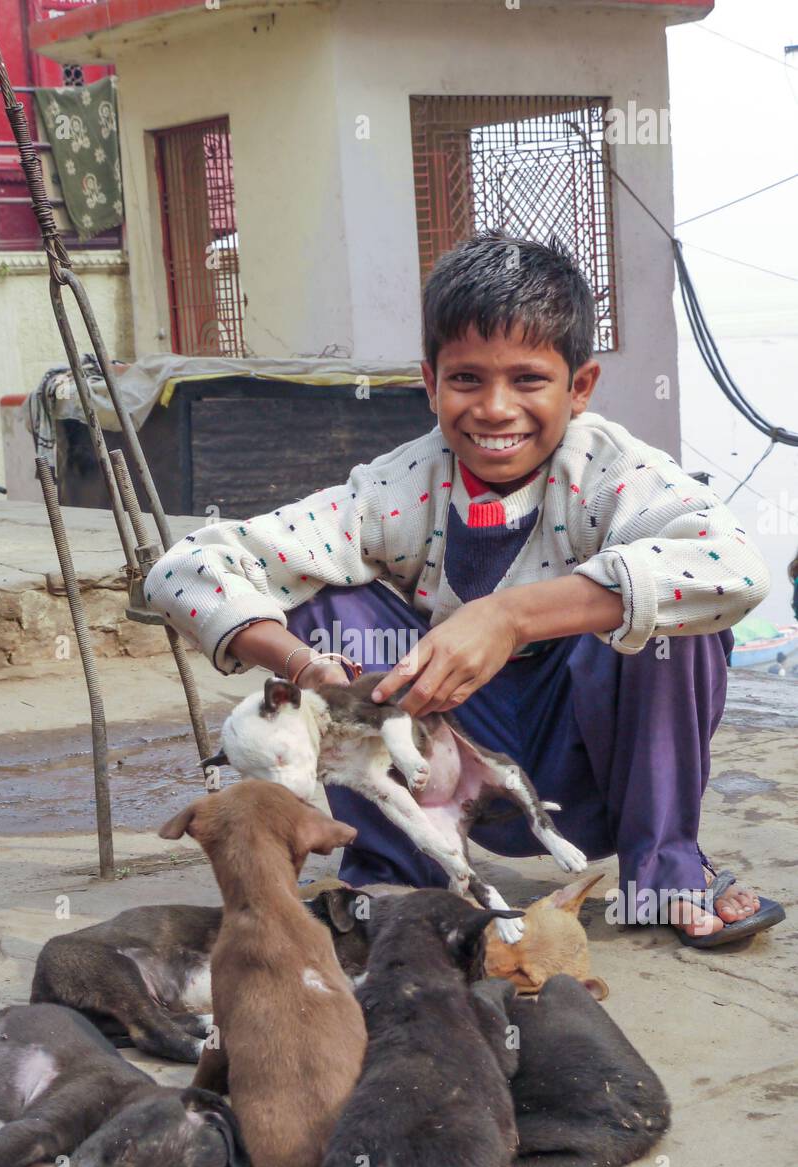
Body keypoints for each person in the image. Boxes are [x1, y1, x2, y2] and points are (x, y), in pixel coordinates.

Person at [145, 234, 783, 946]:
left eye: (529, 380)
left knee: (672, 623)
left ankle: (664, 870)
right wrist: (307, 671)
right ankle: (394, 871)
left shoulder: (613, 472)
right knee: (327, 599)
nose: (495, 409)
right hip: (434, 763)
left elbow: (734, 569)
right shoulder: (395, 489)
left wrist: (508, 617)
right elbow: (183, 569)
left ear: (580, 387)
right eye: (467, 379)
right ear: (430, 382)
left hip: (589, 770)